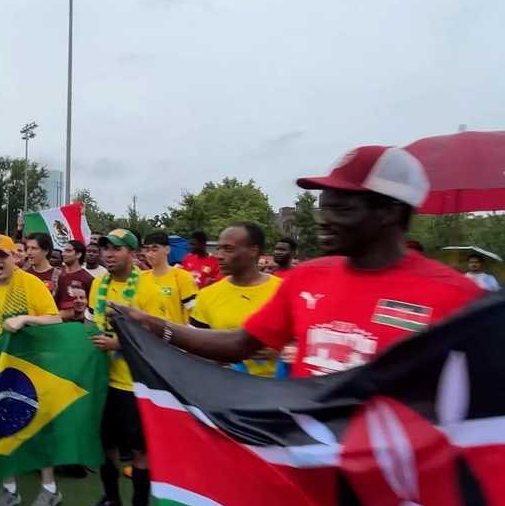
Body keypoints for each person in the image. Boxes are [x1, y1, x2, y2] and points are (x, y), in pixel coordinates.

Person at [121, 145, 483, 379]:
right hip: (306, 471)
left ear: (389, 211)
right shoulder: (306, 279)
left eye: (341, 208)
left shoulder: (457, 299)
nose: (323, 219)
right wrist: (157, 327)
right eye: (323, 207)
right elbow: (238, 344)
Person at [83, 228, 169, 506]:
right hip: (103, 381)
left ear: (134, 254)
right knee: (105, 444)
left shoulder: (148, 289)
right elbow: (90, 325)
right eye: (105, 247)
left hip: (136, 385)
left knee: (138, 451)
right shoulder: (98, 285)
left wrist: (118, 344)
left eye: (117, 248)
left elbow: (156, 337)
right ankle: (111, 498)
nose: (108, 253)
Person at [0, 234, 64, 506]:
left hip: (30, 372)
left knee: (38, 430)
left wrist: (26, 319)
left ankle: (50, 489)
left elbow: (55, 318)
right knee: (2, 431)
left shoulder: (31, 284)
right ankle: (10, 489)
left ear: (15, 257)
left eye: (4, 255)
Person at [190, 223, 283, 377]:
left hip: (277, 393)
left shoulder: (284, 290)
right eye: (219, 248)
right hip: (226, 391)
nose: (219, 255)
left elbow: (306, 341)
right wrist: (217, 357)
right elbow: (194, 347)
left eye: (228, 249)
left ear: (254, 251)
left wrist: (280, 351)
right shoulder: (207, 295)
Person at [141, 231, 198, 325]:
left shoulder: (182, 277)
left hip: (175, 336)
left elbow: (195, 313)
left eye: (154, 250)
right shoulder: (141, 277)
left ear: (167, 249)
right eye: (147, 250)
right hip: (145, 337)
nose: (150, 254)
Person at [54, 239, 95, 321]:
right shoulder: (57, 275)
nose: (63, 254)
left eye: (68, 251)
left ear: (79, 254)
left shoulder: (88, 278)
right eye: (63, 251)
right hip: (56, 324)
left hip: (78, 326)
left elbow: (91, 308)